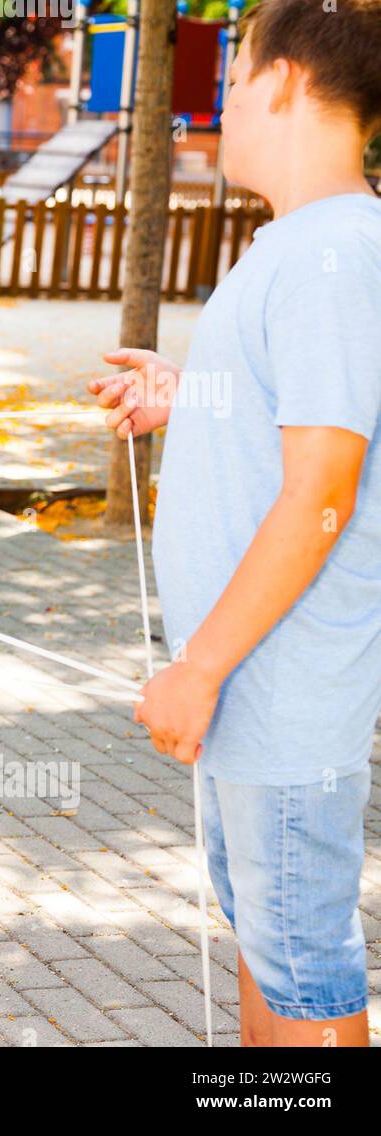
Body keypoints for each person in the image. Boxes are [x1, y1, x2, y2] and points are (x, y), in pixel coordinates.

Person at [90, 0, 380, 1046]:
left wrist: (199, 666)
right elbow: (296, 427)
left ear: (287, 80)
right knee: (270, 946)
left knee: (304, 973)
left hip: (274, 692)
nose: (214, 108)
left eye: (231, 78)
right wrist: (187, 393)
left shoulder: (329, 255)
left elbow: (323, 491)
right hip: (255, 702)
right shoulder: (299, 247)